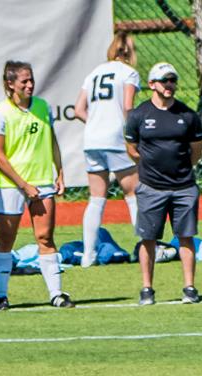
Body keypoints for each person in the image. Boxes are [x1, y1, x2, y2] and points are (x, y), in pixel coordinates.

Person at [0, 61, 71, 310]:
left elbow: (52, 141)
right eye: (24, 81)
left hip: (42, 181)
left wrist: (60, 171)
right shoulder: (0, 113)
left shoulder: (43, 107)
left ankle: (56, 294)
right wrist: (23, 185)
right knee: (6, 239)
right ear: (10, 84)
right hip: (11, 186)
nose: (29, 85)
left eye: (31, 79)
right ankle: (1, 295)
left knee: (45, 237)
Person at [125, 64, 202, 306]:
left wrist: (180, 169)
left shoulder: (188, 115)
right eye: (164, 80)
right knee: (148, 239)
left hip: (184, 187)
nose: (169, 85)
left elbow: (196, 150)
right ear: (152, 84)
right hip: (151, 187)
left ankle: (189, 287)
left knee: (186, 237)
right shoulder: (139, 115)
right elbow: (132, 149)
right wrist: (150, 166)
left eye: (172, 80)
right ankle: (147, 289)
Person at [73, 33, 141, 268]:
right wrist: (134, 136)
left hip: (92, 139)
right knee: (133, 194)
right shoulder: (129, 73)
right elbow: (128, 107)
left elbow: (78, 109)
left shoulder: (94, 73)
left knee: (96, 199)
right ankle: (144, 246)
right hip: (115, 139)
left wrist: (95, 123)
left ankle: (88, 255)